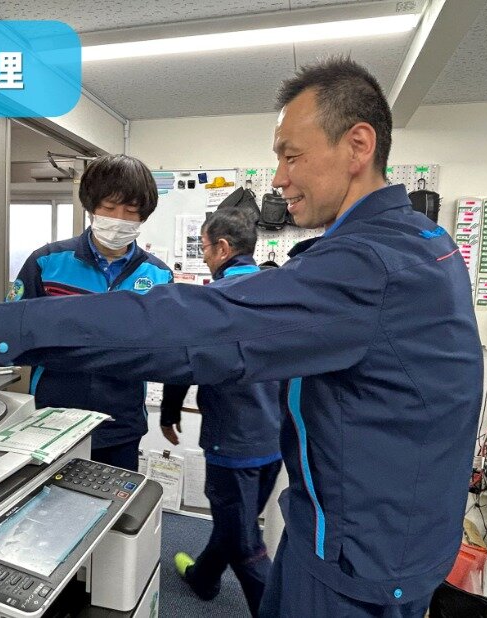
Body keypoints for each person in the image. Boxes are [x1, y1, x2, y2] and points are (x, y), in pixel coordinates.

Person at [0, 56, 483, 617]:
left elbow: (191, 326)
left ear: (358, 144)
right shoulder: (420, 241)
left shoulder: (369, 264)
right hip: (366, 534)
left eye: (291, 155)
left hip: (357, 557)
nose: (279, 178)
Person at [7, 154, 172, 471]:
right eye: (109, 207)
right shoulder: (47, 262)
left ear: (143, 215)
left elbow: (164, 348)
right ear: (91, 206)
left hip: (121, 423)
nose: (119, 219)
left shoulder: (158, 275)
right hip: (53, 418)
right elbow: (14, 331)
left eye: (131, 211)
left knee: (115, 498)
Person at [160, 208, 282, 616]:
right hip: (274, 439)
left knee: (246, 545)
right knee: (237, 525)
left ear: (223, 248)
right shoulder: (280, 293)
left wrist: (169, 413)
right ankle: (203, 577)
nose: (205, 256)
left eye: (205, 248)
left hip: (232, 444)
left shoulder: (212, 300)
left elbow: (184, 362)